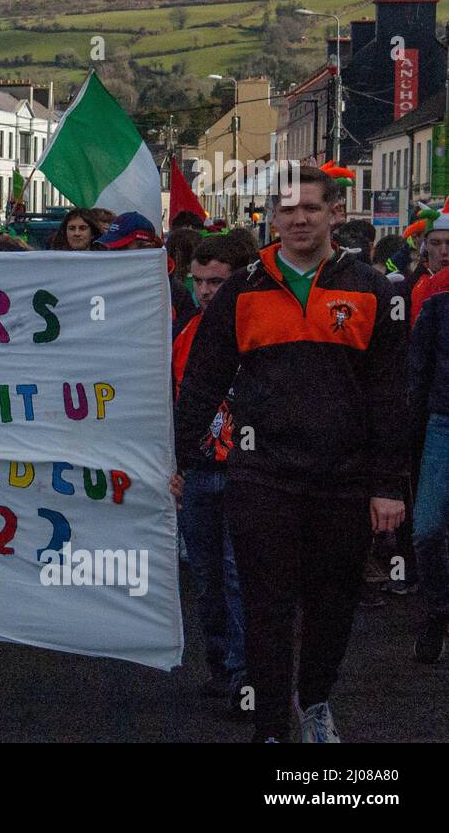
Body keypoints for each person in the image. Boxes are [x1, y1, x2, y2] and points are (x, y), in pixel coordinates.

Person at [174, 166, 408, 743]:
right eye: (287, 209)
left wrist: (388, 485)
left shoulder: (372, 288)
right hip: (263, 475)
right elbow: (202, 381)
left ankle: (316, 702)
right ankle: (271, 723)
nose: (299, 219)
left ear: (334, 213)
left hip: (344, 477)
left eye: (311, 208)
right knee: (266, 606)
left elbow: (390, 394)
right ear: (272, 217)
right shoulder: (242, 288)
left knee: (333, 604)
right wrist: (182, 460)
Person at [172, 235, 254, 709]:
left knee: (240, 577)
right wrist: (176, 462)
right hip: (199, 471)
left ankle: (247, 677)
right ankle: (223, 667)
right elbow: (173, 400)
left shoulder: (258, 325)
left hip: (249, 471)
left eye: (216, 282)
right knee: (207, 580)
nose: (204, 291)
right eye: (198, 281)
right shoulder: (186, 331)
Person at [409, 273, 449, 662]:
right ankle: (438, 609)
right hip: (442, 424)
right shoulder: (437, 309)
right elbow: (416, 376)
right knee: (426, 530)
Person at [97, 211, 198, 335]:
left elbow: (185, 337)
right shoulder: (102, 286)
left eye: (120, 248)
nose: (113, 255)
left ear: (145, 248)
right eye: (110, 248)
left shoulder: (174, 292)